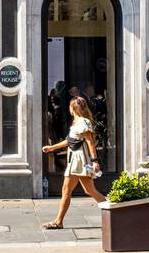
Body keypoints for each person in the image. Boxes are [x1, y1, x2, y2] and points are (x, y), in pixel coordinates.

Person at [41, 97, 107, 229]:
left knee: (67, 190)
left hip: (79, 161)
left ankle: (58, 222)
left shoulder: (83, 122)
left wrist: (95, 161)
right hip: (75, 161)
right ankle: (114, 211)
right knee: (90, 191)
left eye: (70, 107)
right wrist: (52, 148)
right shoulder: (77, 123)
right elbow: (69, 141)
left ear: (73, 109)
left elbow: (90, 142)